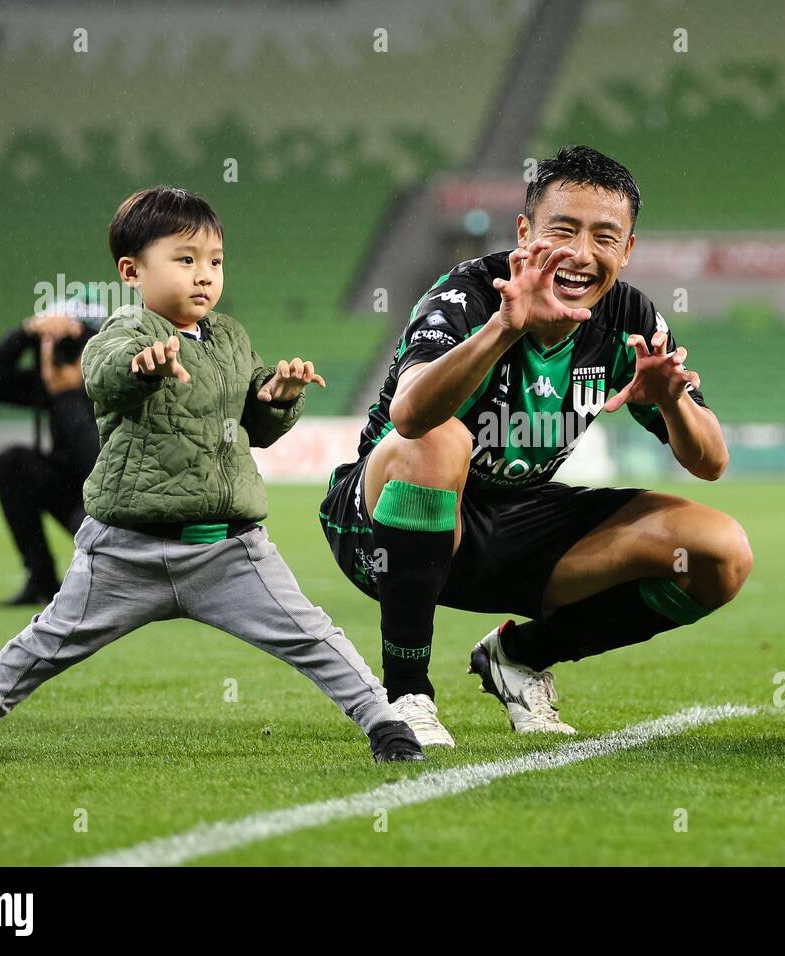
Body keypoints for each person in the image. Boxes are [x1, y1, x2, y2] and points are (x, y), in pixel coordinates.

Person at [0, 186, 423, 764]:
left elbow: (260, 425)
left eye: (215, 261)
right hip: (124, 553)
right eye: (185, 259)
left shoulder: (232, 338)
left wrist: (278, 395)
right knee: (49, 642)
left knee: (312, 636)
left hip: (230, 551)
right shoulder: (124, 333)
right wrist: (142, 368)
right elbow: (103, 376)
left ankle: (386, 726)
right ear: (131, 270)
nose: (204, 276)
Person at [320, 146, 753, 746]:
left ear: (627, 251)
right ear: (524, 231)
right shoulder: (468, 295)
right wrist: (505, 327)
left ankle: (518, 657)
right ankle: (406, 695)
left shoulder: (628, 317)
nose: (580, 255)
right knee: (440, 441)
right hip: (381, 521)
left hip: (513, 522)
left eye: (605, 237)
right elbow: (410, 415)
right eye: (563, 230)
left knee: (720, 552)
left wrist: (673, 400)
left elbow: (711, 463)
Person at [0, 310, 100, 605]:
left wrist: (68, 393)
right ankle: (41, 581)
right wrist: (26, 333)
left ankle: (114, 584)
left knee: (88, 516)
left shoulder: (116, 380)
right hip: (72, 491)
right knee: (13, 462)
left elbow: (94, 465)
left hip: (112, 496)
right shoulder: (50, 381)